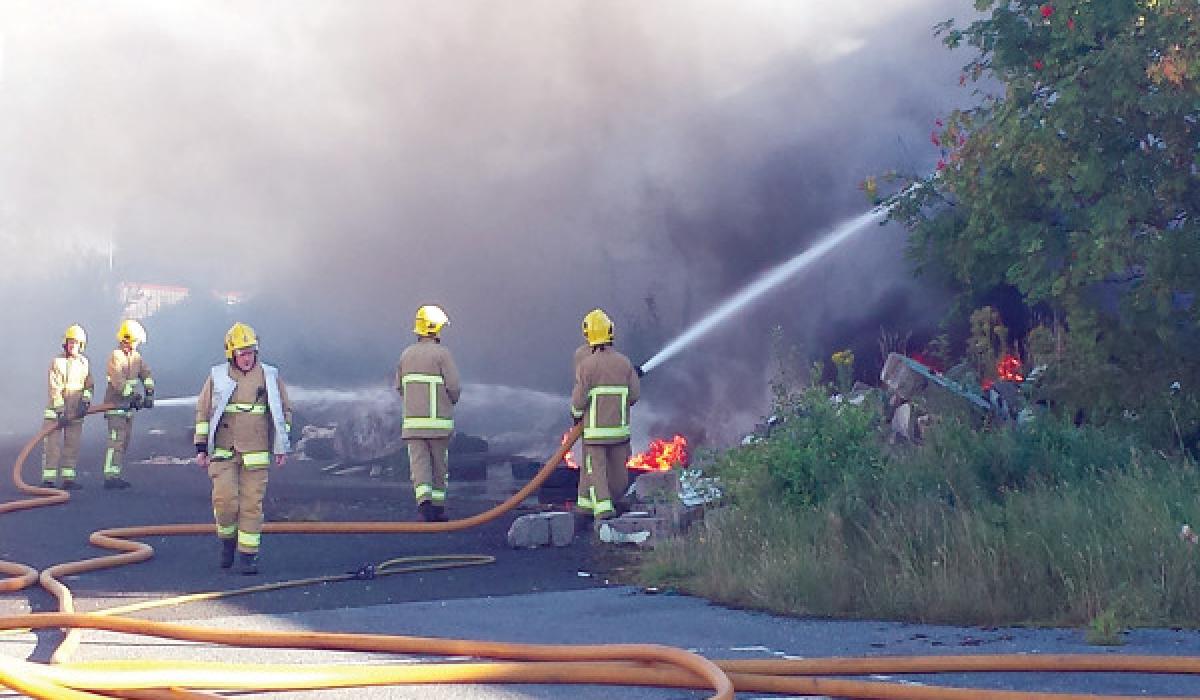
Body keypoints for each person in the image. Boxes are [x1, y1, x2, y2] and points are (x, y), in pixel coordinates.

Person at [194, 322, 292, 574]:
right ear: (231, 354)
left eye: (250, 352)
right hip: (223, 451)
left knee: (252, 505)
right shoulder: (217, 376)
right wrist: (201, 447)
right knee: (225, 501)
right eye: (242, 353)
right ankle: (228, 542)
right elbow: (203, 412)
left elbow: (282, 412)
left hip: (256, 452)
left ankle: (248, 555)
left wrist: (281, 446)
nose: (247, 358)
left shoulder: (269, 376)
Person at [570, 309, 639, 531]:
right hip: (619, 431)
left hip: (594, 433)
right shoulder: (624, 363)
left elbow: (579, 400)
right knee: (619, 470)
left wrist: (576, 415)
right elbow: (634, 396)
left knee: (595, 469)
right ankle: (586, 506)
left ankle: (603, 511)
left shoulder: (587, 365)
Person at [395, 304, 460, 522]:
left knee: (419, 466)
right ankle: (439, 508)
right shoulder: (442, 354)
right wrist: (451, 400)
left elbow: (399, 387)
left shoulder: (406, 354)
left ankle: (424, 505)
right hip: (439, 424)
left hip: (413, 424)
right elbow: (454, 387)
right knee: (439, 466)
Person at [100, 319, 155, 489]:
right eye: (135, 341)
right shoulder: (116, 357)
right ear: (127, 340)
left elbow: (146, 374)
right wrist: (133, 396)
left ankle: (115, 473)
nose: (136, 345)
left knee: (124, 442)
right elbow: (118, 381)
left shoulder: (136, 358)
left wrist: (149, 392)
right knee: (116, 441)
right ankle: (110, 477)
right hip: (115, 406)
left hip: (128, 409)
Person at [41, 324, 94, 489]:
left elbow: (89, 385)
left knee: (72, 445)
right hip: (56, 415)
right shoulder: (57, 362)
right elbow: (54, 389)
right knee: (52, 447)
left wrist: (85, 402)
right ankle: (48, 480)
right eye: (70, 342)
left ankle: (68, 479)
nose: (73, 346)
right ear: (65, 343)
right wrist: (60, 411)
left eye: (76, 343)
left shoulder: (84, 363)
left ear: (81, 345)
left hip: (75, 413)